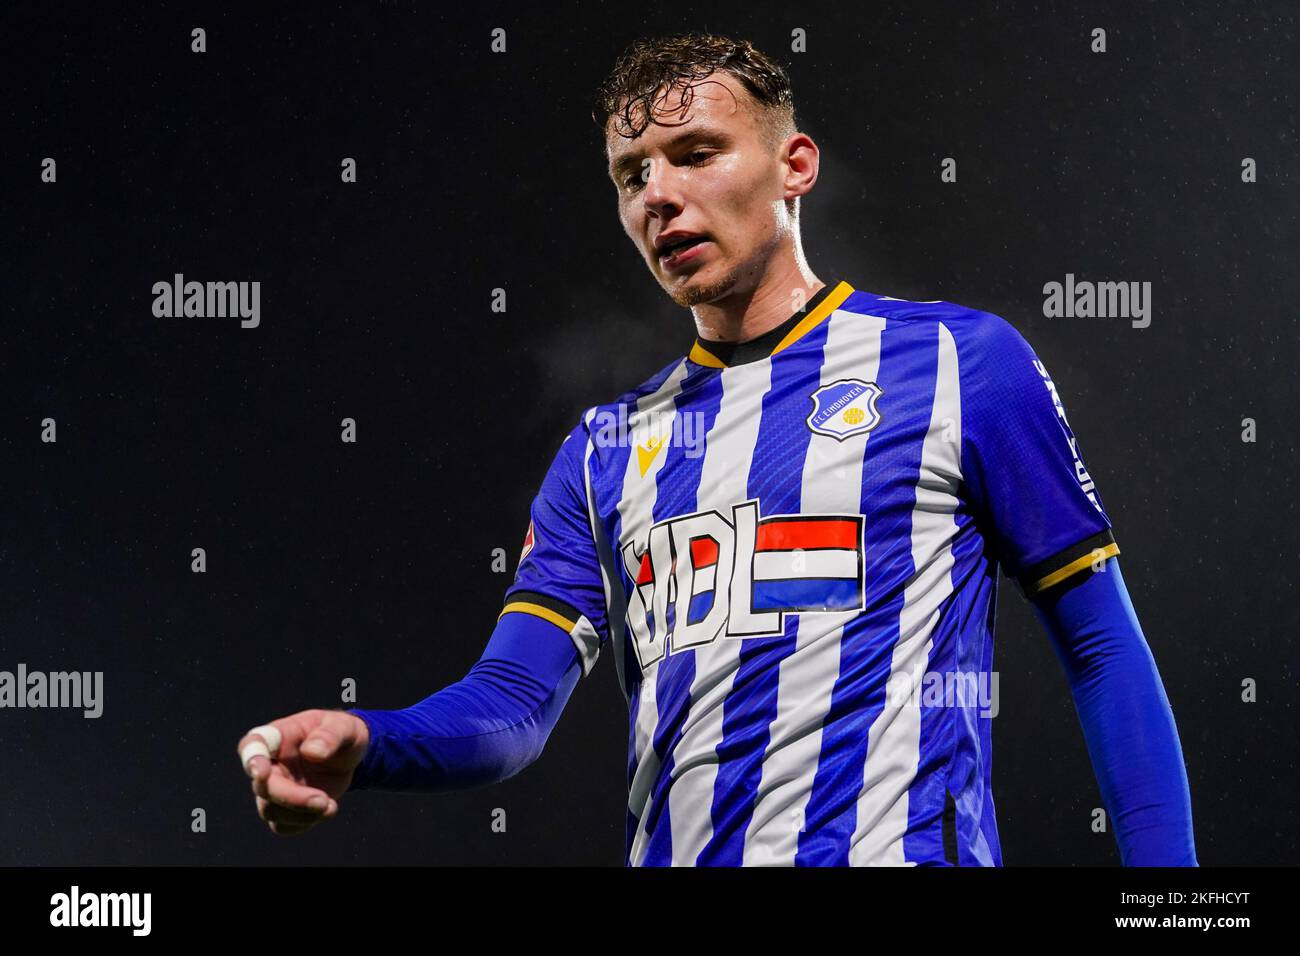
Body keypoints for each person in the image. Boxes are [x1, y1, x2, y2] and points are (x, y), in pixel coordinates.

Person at [236, 33, 1196, 866]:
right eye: (631, 173)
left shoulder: (960, 362)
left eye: (696, 153)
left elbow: (1102, 649)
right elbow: (513, 705)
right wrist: (371, 738)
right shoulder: (608, 447)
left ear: (795, 166)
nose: (659, 194)